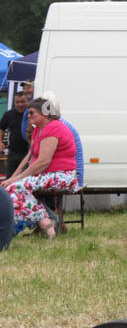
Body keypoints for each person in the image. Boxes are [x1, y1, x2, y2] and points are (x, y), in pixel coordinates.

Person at [2, 95, 79, 239]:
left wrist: (17, 179)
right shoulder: (39, 129)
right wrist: (12, 178)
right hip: (49, 175)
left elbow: (43, 161)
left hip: (63, 176)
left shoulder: (53, 127)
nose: (28, 115)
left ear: (44, 113)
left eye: (31, 112)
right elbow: (29, 157)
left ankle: (46, 225)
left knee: (15, 188)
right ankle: (48, 223)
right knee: (11, 187)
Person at [1, 85, 32, 177]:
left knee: (25, 178)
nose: (20, 104)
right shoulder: (9, 114)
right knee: (10, 177)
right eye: (17, 102)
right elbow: (1, 128)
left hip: (28, 152)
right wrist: (0, 141)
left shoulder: (32, 114)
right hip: (13, 152)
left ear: (28, 102)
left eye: (22, 102)